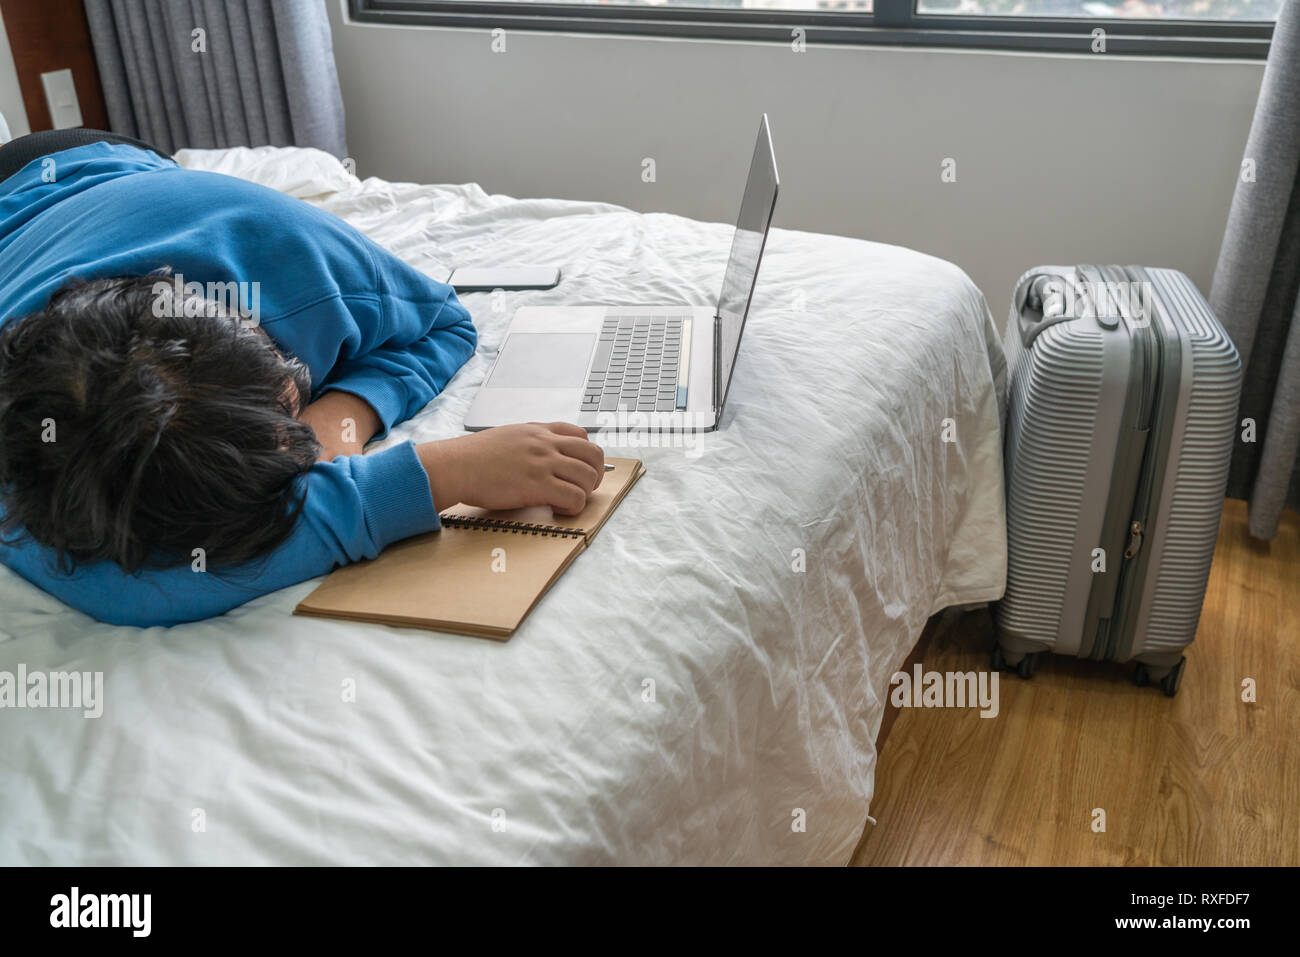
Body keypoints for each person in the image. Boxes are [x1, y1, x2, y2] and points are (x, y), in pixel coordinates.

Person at [0, 131, 604, 627]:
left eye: (288, 415)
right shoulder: (29, 433)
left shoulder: (294, 260)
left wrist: (344, 414)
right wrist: (436, 475)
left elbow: (443, 323)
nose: (302, 452)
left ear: (268, 342)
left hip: (90, 162)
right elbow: (127, 587)